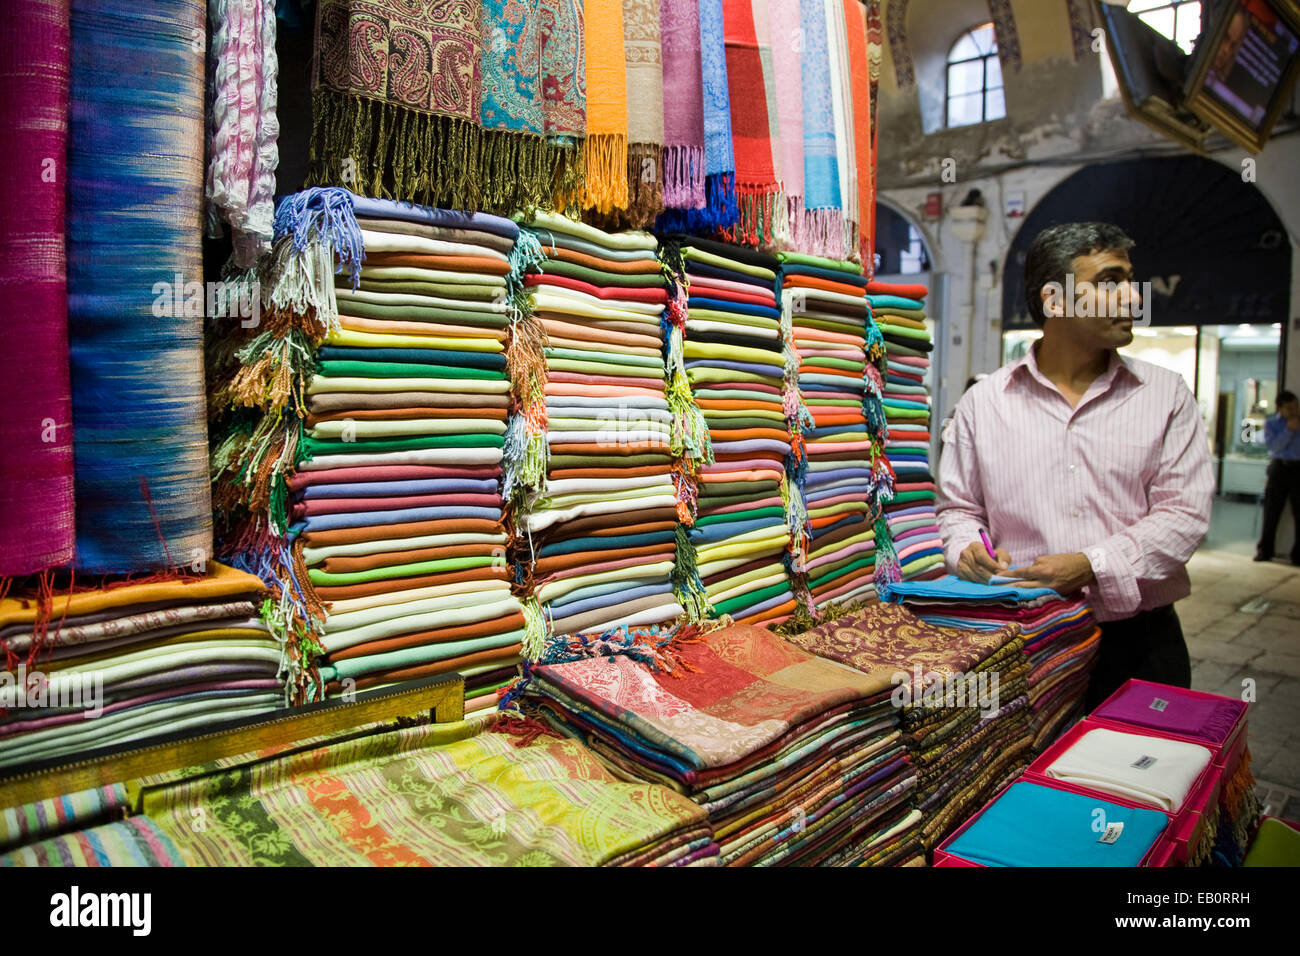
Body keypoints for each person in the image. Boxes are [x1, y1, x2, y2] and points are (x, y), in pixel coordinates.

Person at [937, 222, 1214, 710]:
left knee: (1141, 779)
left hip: (1140, 644)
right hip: (1021, 639)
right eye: (1110, 282)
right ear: (1056, 300)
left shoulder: (1166, 396)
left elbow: (1184, 515)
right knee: (1027, 780)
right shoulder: (984, 404)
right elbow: (958, 509)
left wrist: (1091, 564)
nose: (1134, 298)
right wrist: (966, 551)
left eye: (1131, 280)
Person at [1255, 389, 1300, 564]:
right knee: (1272, 511)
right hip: (1279, 467)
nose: (1294, 409)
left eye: (1295, 405)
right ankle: (1265, 551)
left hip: (1298, 469)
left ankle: (1298, 555)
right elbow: (1274, 446)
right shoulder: (1272, 422)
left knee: (1299, 513)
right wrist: (1289, 430)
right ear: (1280, 408)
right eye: (1289, 407)